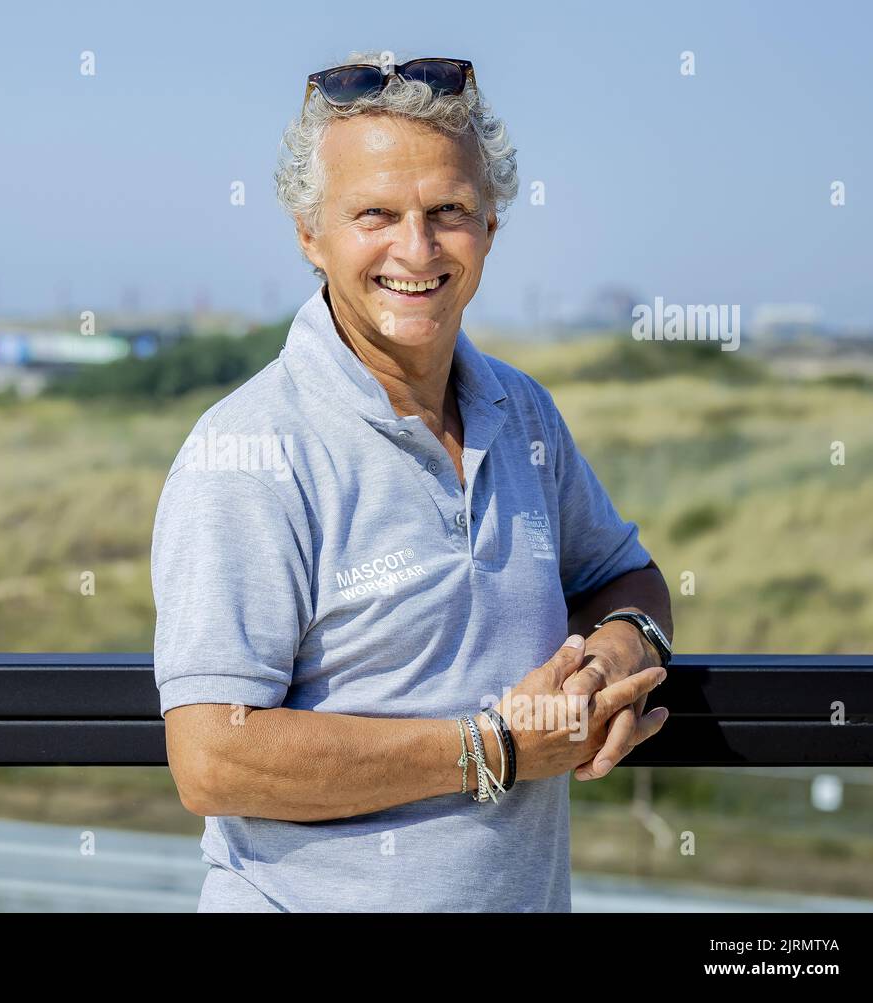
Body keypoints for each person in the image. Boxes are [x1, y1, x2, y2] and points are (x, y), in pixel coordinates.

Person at [150, 50, 673, 912]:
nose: (417, 248)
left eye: (449, 210)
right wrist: (493, 749)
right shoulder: (245, 451)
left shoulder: (525, 413)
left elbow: (627, 576)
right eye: (376, 214)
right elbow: (211, 757)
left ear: (493, 224)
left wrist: (619, 651)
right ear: (308, 233)